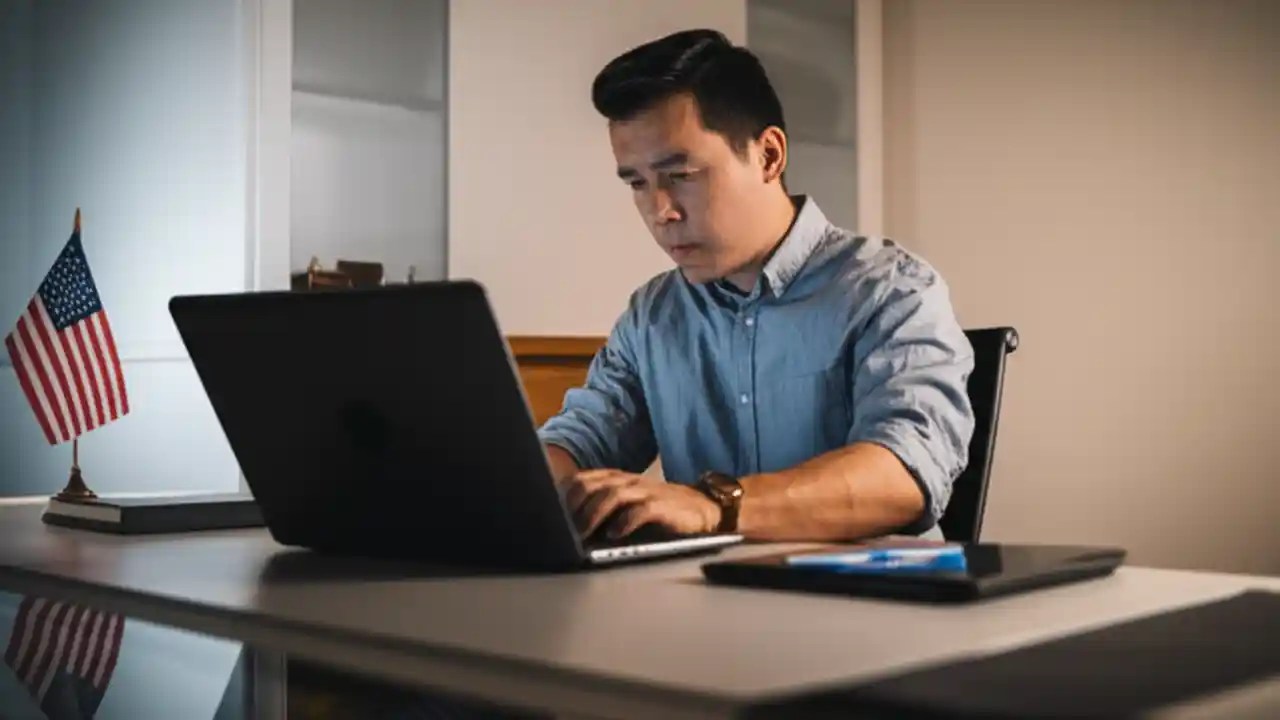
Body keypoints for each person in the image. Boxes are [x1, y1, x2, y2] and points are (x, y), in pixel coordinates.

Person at [539, 29, 975, 543]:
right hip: (710, 609)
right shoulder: (653, 316)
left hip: (874, 606)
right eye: (637, 183)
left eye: (679, 174)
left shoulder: (892, 291)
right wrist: (529, 488)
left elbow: (904, 472)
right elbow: (577, 443)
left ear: (769, 155)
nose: (660, 211)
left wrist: (711, 508)